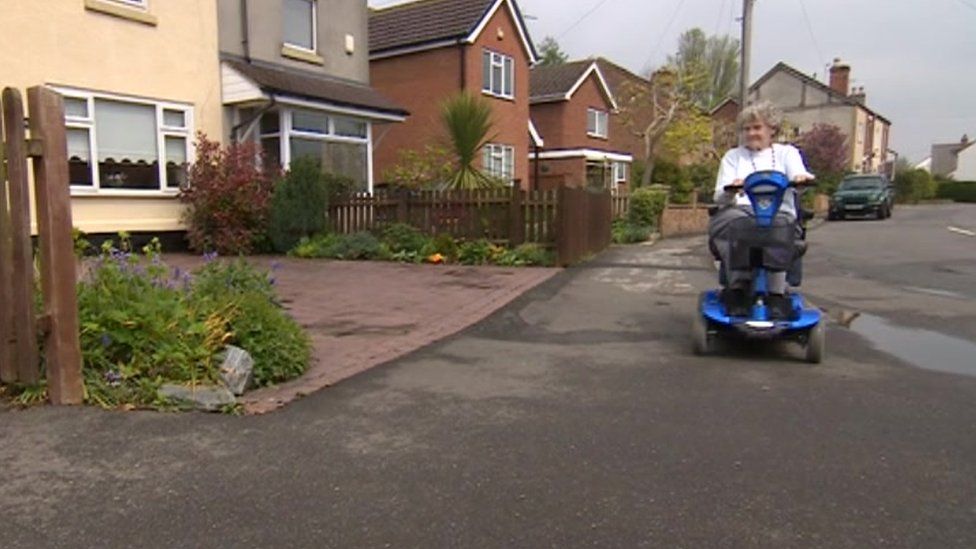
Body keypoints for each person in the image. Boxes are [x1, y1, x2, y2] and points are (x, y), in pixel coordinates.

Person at [708, 100, 814, 318]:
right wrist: (731, 190)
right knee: (733, 226)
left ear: (771, 129)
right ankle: (736, 290)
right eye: (746, 129)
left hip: (778, 213)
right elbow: (719, 196)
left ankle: (775, 294)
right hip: (741, 212)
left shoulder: (787, 153)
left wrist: (801, 180)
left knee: (779, 228)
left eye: (757, 127)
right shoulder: (733, 157)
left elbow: (798, 177)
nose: (751, 133)